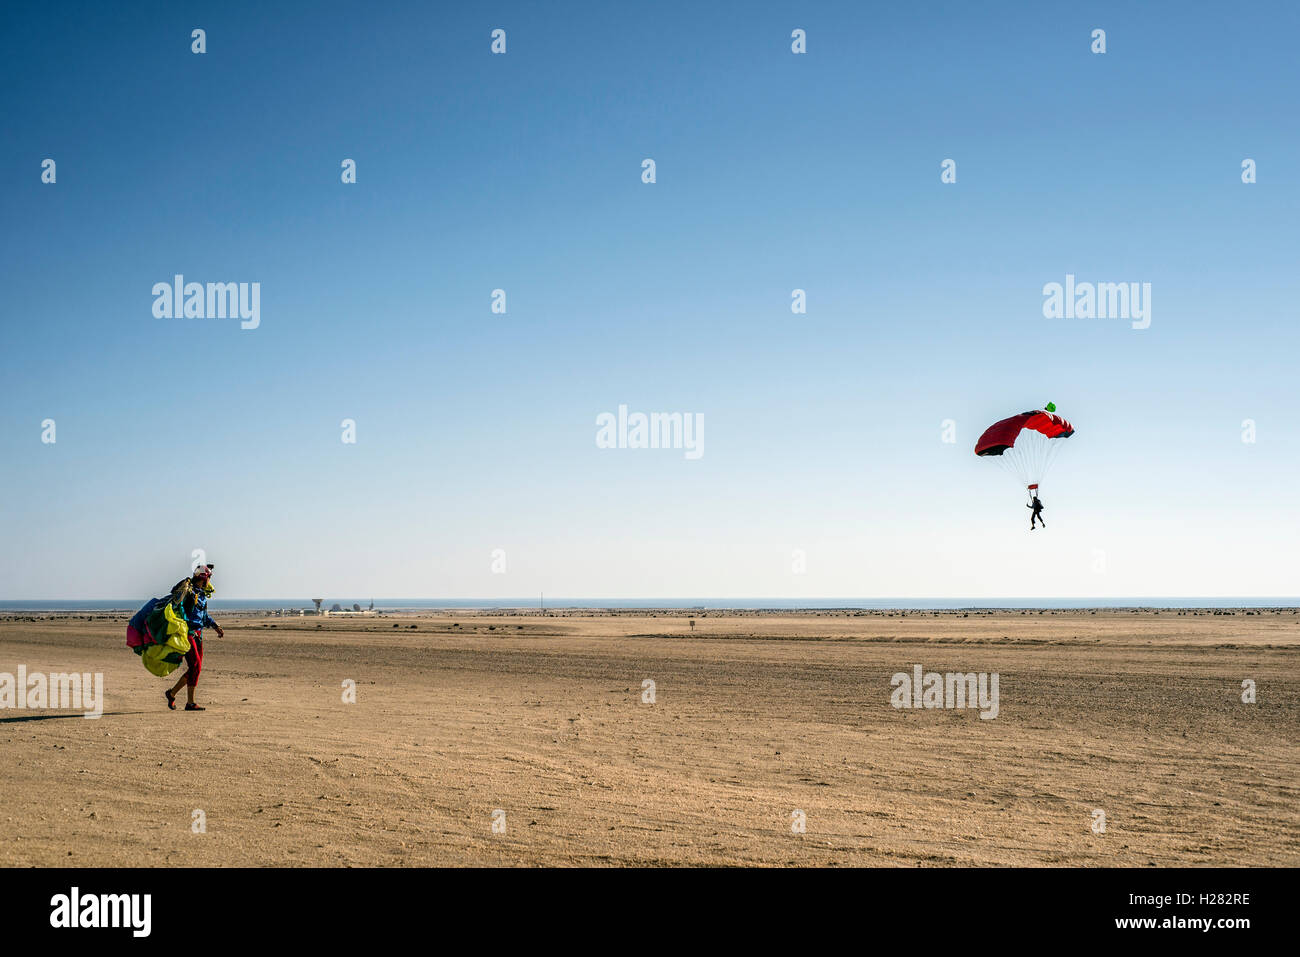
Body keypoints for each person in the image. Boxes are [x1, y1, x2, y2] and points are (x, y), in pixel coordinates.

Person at [165, 564, 224, 711]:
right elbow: (178, 609)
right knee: (195, 665)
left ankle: (173, 694)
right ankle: (188, 702)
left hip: (199, 634)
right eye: (209, 577)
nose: (210, 580)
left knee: (196, 668)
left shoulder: (202, 595)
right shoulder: (188, 593)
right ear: (204, 578)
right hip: (187, 633)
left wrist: (215, 626)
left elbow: (203, 616)